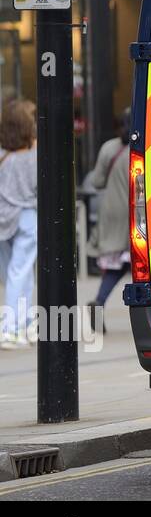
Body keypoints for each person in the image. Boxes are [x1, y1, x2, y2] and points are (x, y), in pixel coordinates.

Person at [85, 109, 132, 330]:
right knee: (143, 266)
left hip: (112, 212)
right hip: (137, 214)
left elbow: (96, 181)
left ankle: (99, 301)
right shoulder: (150, 146)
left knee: (117, 265)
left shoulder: (109, 147)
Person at [0, 100, 38, 349]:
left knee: (12, 274)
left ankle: (24, 323)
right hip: (26, 217)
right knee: (21, 272)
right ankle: (11, 328)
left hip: (2, 218)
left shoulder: (3, 156)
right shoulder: (33, 156)